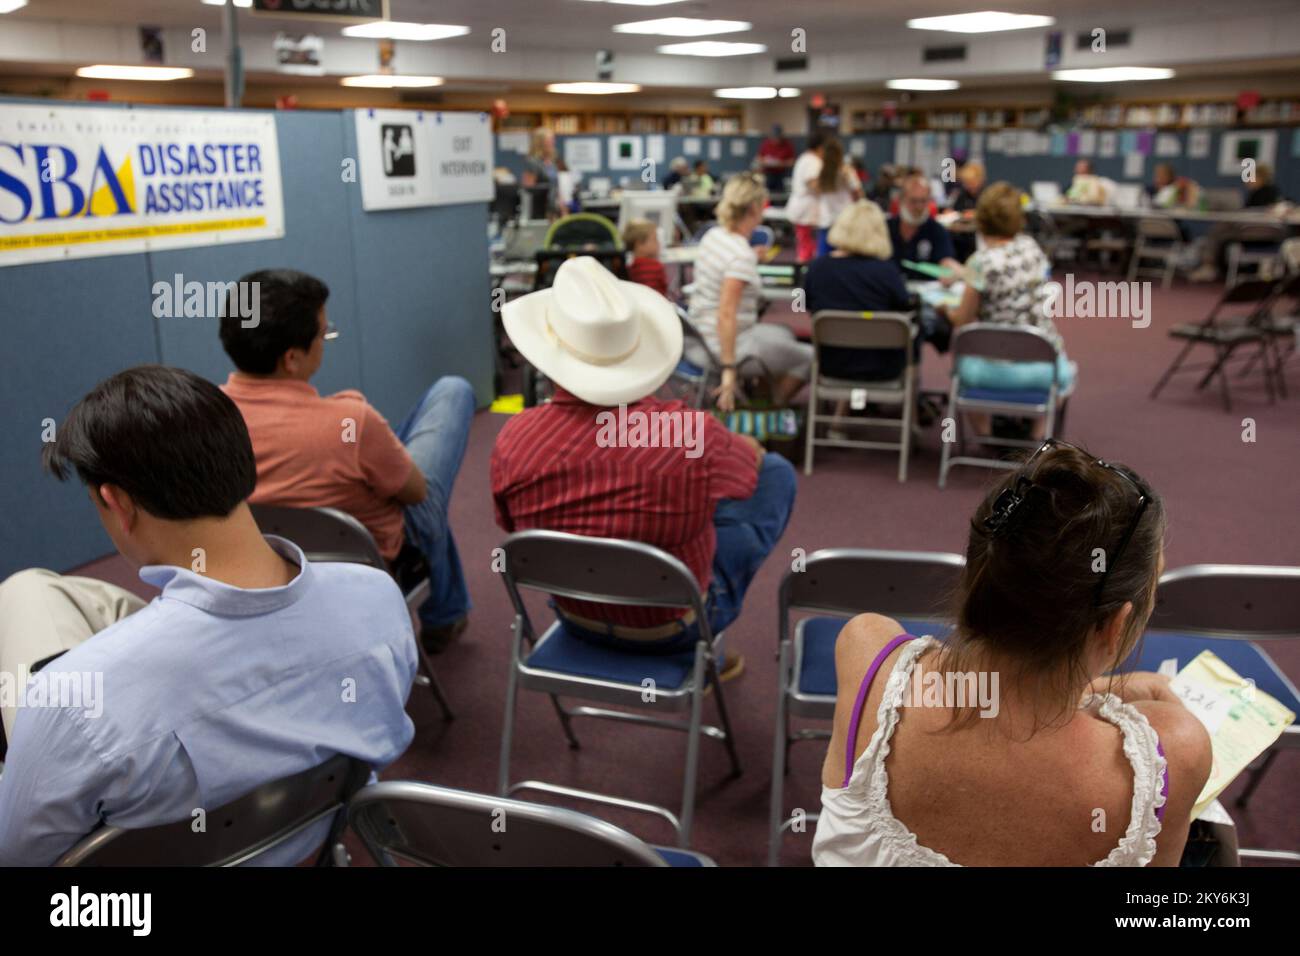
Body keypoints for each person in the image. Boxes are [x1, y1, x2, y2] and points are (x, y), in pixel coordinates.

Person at [0, 366, 418, 866]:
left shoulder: (68, 699)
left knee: (25, 597)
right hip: (309, 844)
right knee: (46, 593)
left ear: (116, 503)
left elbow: (19, 856)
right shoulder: (377, 597)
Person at [814, 440, 1211, 866]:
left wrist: (1090, 691)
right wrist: (1095, 695)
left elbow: (977, 696)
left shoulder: (869, 655)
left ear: (980, 573)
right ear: (1116, 626)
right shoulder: (1173, 754)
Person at [492, 256, 798, 679]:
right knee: (776, 474)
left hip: (572, 615)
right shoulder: (689, 433)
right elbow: (752, 471)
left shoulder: (512, 439)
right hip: (673, 628)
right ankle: (708, 638)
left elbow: (511, 528)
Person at [219, 269, 475, 654]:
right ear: (291, 358)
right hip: (364, 569)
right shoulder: (351, 422)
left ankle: (448, 612)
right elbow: (417, 491)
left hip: (262, 573)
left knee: (387, 459)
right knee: (453, 393)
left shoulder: (205, 420)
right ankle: (444, 615)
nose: (326, 342)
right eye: (324, 334)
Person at [939, 182, 1075, 438]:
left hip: (992, 372)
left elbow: (961, 320)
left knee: (961, 352)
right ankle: (1037, 436)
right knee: (1057, 358)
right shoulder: (1032, 249)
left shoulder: (980, 263)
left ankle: (986, 432)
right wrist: (964, 274)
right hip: (1044, 368)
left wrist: (944, 309)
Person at [687, 173, 813, 411]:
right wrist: (728, 369)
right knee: (810, 357)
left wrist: (750, 257)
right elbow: (726, 314)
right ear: (755, 207)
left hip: (699, 337)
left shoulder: (714, 237)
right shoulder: (740, 256)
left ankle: (760, 395)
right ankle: (767, 409)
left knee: (784, 332)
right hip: (725, 347)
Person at [805, 199, 917, 381]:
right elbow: (905, 307)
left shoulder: (816, 268)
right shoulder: (886, 271)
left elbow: (805, 306)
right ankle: (912, 401)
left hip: (830, 362)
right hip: (882, 365)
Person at [1188, 164, 1286, 282]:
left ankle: (1210, 266)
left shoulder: (1261, 194)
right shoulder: (1273, 192)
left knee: (1218, 231)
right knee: (1220, 231)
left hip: (1253, 232)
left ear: (1259, 177)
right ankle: (1213, 266)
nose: (1248, 181)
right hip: (1265, 233)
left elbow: (1253, 212)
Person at [889, 172, 963, 279]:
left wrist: (951, 270)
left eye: (923, 201)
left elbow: (946, 260)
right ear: (901, 200)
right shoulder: (887, 228)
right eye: (913, 201)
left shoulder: (937, 230)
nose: (919, 207)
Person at [810, 136, 863, 258]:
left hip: (826, 221)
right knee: (845, 259)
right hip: (844, 221)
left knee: (823, 260)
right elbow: (858, 194)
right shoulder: (847, 171)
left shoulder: (821, 173)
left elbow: (817, 192)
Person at [785, 128, 828, 263]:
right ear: (821, 147)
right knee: (806, 247)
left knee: (805, 245)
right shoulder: (812, 161)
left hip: (804, 207)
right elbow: (814, 184)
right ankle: (803, 275)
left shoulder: (805, 158)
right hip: (806, 209)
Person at [623, 217, 669, 298]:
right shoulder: (652, 267)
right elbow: (653, 296)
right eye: (655, 239)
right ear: (639, 245)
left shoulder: (631, 266)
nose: (658, 243)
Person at [757, 123, 796, 193]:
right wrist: (765, 162)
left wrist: (781, 163)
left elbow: (792, 161)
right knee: (766, 195)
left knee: (779, 196)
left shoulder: (787, 144)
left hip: (781, 174)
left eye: (777, 137)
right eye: (774, 137)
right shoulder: (766, 143)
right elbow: (759, 159)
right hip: (768, 174)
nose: (776, 140)